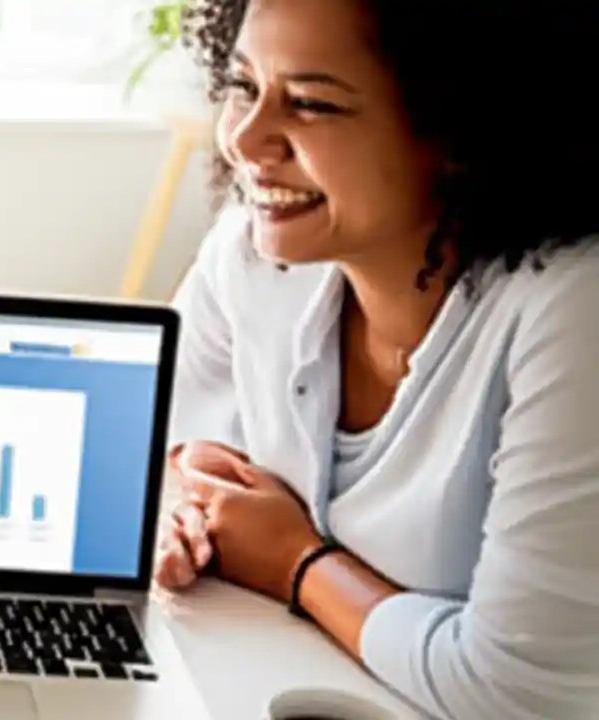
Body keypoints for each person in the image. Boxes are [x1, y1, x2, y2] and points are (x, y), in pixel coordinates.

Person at [153, 0, 599, 718]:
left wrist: (296, 563)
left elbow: (521, 693)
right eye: (244, 86)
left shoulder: (574, 311)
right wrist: (189, 500)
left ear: (455, 130)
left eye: (310, 103)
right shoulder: (252, 256)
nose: (245, 138)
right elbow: (163, 449)